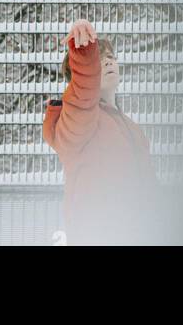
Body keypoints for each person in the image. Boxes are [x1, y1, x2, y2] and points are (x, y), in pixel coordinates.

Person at [42, 18, 159, 245]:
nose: (108, 62)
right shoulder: (78, 119)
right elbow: (83, 96)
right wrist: (85, 55)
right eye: (100, 59)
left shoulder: (131, 128)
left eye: (111, 57)